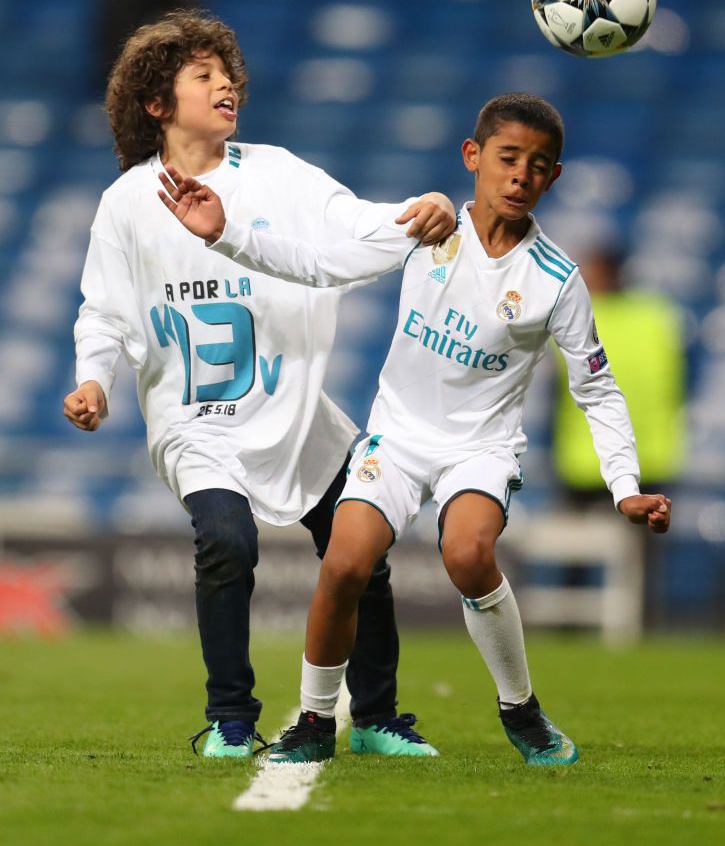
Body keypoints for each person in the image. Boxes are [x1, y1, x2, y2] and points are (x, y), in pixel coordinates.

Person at [158, 92, 672, 767]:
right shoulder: (426, 231)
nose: (520, 174)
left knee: (467, 555)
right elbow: (318, 262)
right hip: (397, 440)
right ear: (473, 157)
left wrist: (624, 485)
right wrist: (225, 233)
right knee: (345, 562)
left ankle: (521, 709)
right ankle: (315, 722)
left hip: (479, 450)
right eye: (508, 157)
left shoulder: (557, 281)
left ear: (553, 178)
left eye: (538, 164)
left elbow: (596, 388)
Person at [63, 8, 456, 759]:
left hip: (297, 414)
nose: (226, 86)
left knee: (360, 548)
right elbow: (103, 311)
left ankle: (374, 717)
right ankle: (230, 719)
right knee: (226, 541)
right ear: (156, 104)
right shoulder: (124, 205)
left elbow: (350, 224)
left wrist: (419, 214)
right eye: (203, 76)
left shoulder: (276, 172)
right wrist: (94, 381)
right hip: (195, 419)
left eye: (228, 74)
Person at [551, 243, 685, 625]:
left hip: (588, 453)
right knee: (635, 556)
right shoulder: (658, 317)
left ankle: (578, 629)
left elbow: (555, 388)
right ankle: (638, 625)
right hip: (642, 452)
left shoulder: (575, 313)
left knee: (588, 556)